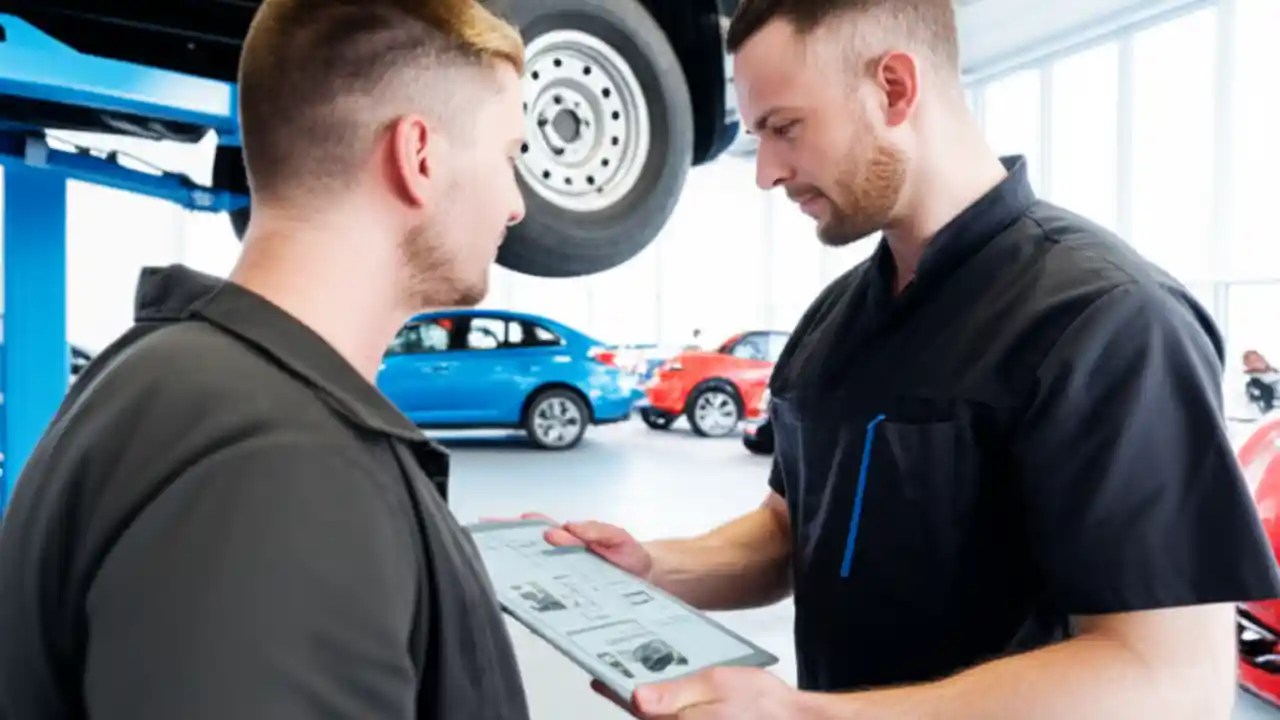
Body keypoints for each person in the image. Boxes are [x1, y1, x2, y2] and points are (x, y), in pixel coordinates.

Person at [536, 1, 1280, 718]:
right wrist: (653, 569)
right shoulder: (834, 321)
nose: (764, 171)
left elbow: (1169, 681)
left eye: (784, 128)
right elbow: (790, 533)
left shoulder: (1106, 321)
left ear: (894, 87)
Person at [0, 1, 531, 718]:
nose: (516, 205)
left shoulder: (178, 383)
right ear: (420, 157)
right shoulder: (286, 467)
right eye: (508, 156)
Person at [1245, 349, 1279, 414]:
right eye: (1255, 361)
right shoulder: (1255, 382)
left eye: (1259, 357)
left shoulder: (1274, 371)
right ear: (1249, 366)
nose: (1260, 361)